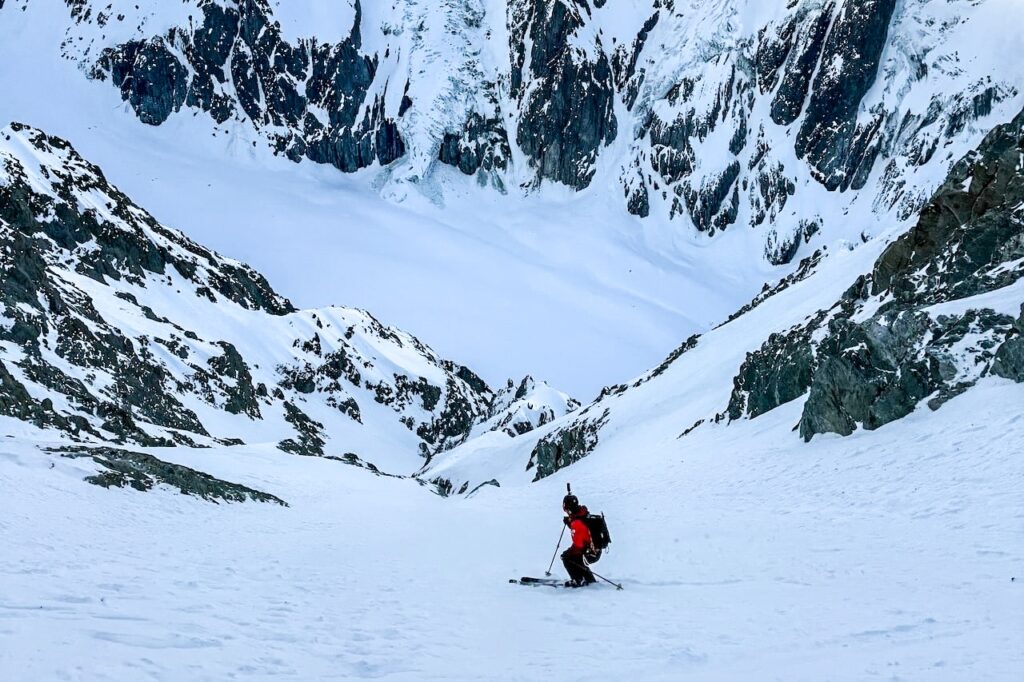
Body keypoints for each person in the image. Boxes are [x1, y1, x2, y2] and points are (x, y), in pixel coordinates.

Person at [561, 493, 597, 587]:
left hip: (590, 552)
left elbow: (578, 545)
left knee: (566, 557)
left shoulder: (576, 522)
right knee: (574, 556)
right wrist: (570, 522)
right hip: (594, 548)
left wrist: (569, 554)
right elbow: (582, 530)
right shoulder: (582, 513)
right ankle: (589, 579)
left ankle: (577, 579)